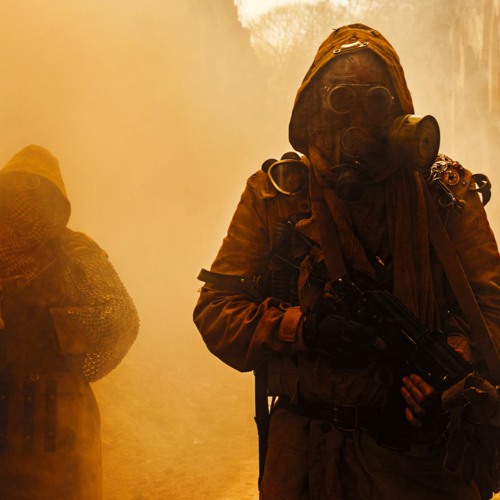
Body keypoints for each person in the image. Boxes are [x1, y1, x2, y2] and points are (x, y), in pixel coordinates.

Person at [193, 24, 500, 499]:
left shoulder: (445, 193)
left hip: (422, 462)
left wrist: (446, 377)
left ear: (400, 109)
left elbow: (492, 310)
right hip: (308, 461)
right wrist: (304, 329)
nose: (358, 118)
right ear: (313, 106)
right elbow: (216, 310)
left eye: (376, 99)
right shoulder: (278, 195)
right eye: (340, 99)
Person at [0, 145, 139, 499]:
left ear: (54, 199)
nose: (25, 200)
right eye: (16, 188)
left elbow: (121, 317)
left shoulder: (75, 253)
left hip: (63, 420)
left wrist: (55, 331)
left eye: (36, 190)